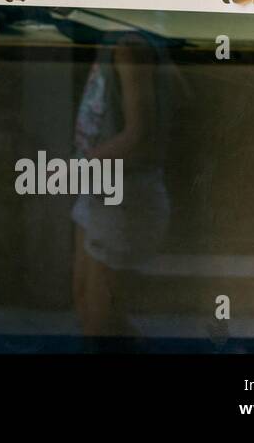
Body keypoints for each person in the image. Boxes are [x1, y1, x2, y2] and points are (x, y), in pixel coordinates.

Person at [71, 31, 175, 344]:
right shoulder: (113, 41)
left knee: (100, 323)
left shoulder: (131, 48)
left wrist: (80, 165)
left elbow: (139, 133)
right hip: (100, 187)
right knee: (87, 305)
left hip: (124, 192)